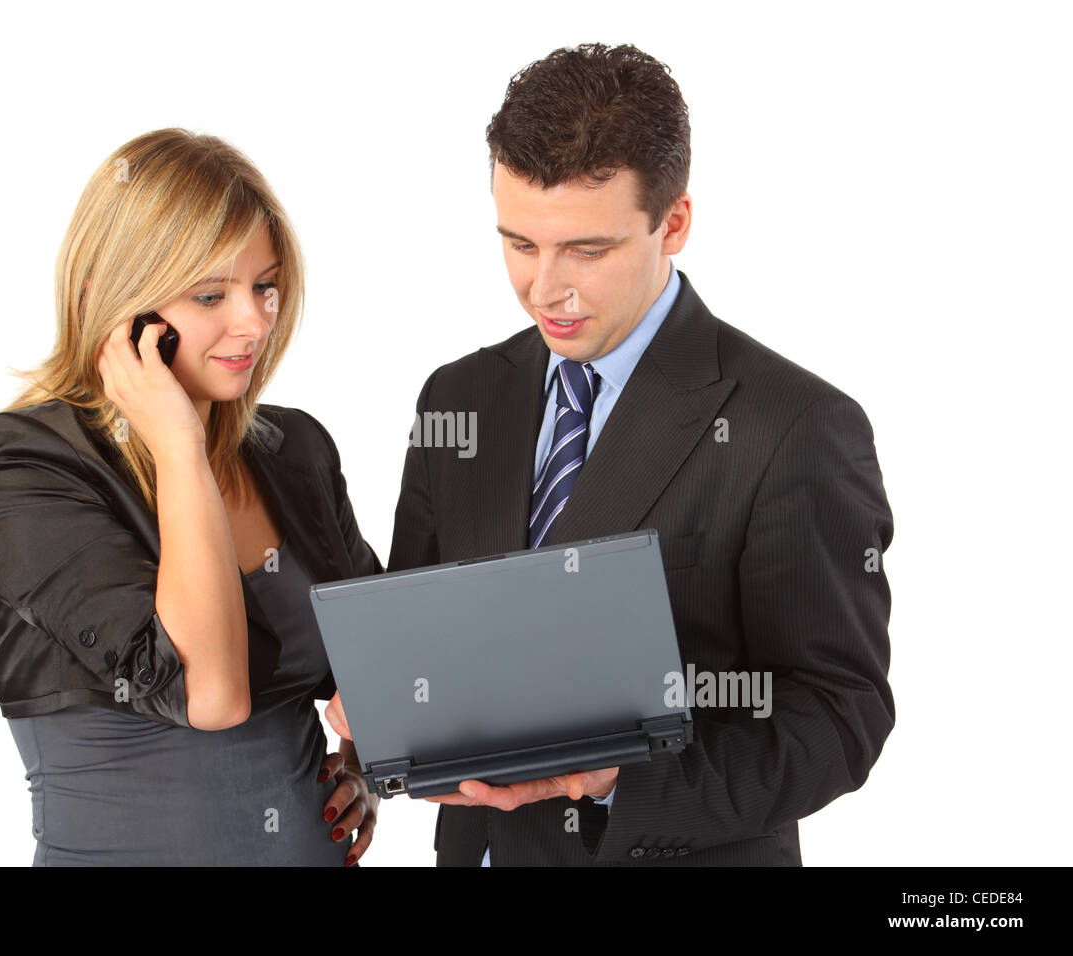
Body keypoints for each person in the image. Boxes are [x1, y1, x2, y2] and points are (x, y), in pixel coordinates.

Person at [328, 42, 894, 866]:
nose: (545, 289)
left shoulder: (795, 425)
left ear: (674, 224)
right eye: (519, 243)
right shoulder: (458, 397)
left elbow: (840, 717)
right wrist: (380, 712)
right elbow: (423, 628)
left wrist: (610, 778)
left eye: (586, 251)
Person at [0, 128, 379, 865]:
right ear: (113, 303)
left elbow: (392, 658)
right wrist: (179, 444)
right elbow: (210, 695)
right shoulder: (27, 464)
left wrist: (369, 758)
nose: (252, 322)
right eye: (211, 293)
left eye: (265, 285)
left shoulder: (295, 451)